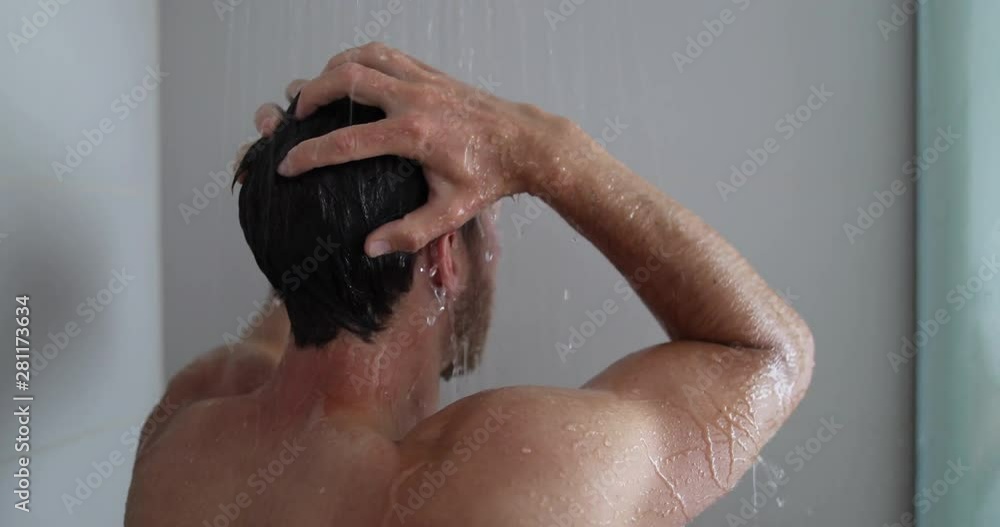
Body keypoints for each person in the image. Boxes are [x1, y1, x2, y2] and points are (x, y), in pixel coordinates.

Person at [125, 43, 814, 527]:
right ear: (442, 254)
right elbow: (767, 355)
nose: (500, 246)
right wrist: (544, 151)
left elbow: (319, 283)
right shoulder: (506, 475)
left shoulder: (188, 423)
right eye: (486, 219)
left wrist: (310, 190)